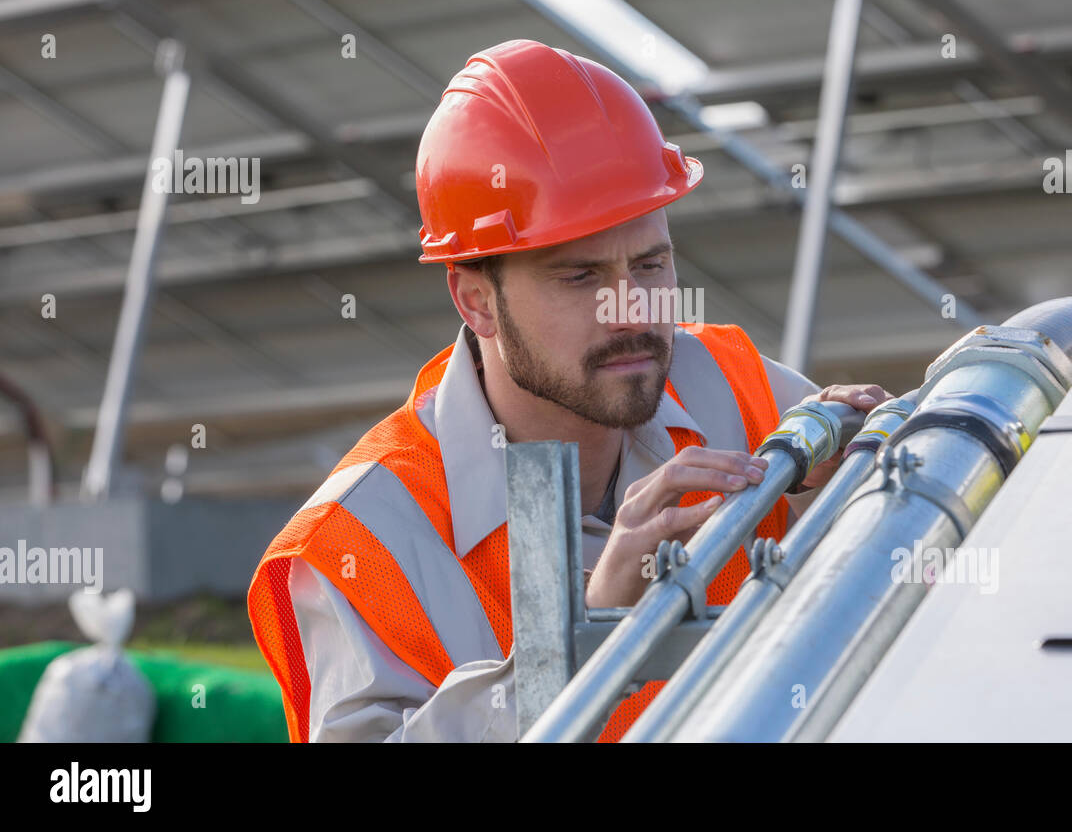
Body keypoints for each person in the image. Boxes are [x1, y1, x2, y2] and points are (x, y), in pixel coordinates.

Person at [248, 39, 891, 742]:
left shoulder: (740, 391)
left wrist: (848, 491)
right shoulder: (359, 543)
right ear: (476, 301)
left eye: (650, 264)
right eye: (579, 277)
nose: (632, 310)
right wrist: (583, 648)